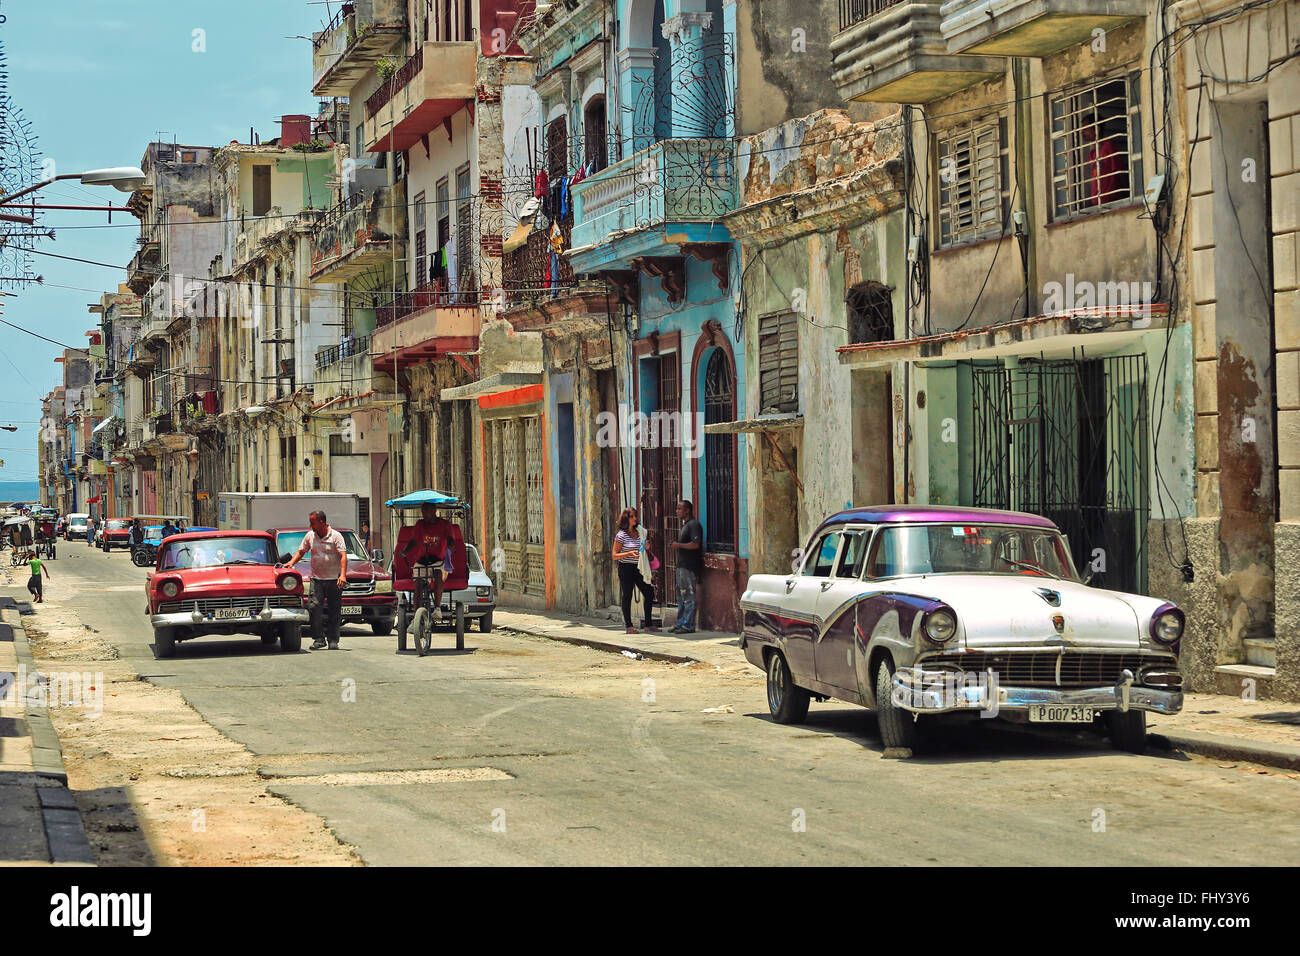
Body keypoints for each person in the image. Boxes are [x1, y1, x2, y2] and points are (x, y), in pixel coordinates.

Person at [284, 510, 348, 650]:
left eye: (312, 522)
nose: (310, 525)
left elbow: (343, 556)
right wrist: (291, 563)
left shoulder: (336, 536)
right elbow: (301, 551)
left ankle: (333, 640)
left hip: (334, 580)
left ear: (322, 522)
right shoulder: (310, 536)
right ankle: (319, 639)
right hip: (317, 579)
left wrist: (342, 575)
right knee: (314, 608)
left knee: (334, 610)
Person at [401, 503, 455, 617]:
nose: (424, 514)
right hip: (421, 560)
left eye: (426, 511)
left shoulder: (445, 524)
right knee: (418, 584)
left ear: (434, 510)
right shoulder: (420, 524)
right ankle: (417, 614)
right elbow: (413, 541)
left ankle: (437, 608)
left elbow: (451, 539)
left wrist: (450, 549)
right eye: (423, 511)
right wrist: (404, 551)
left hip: (438, 560)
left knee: (438, 575)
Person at [612, 506, 657, 635]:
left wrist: (646, 547)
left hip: (639, 567)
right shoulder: (621, 535)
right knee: (627, 595)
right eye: (632, 516)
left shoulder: (639, 532)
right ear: (626, 518)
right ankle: (629, 626)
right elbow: (615, 555)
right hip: (625, 568)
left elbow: (642, 548)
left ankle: (648, 624)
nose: (635, 519)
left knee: (648, 592)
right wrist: (629, 553)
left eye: (635, 516)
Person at [669, 500, 704, 634]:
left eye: (679, 509)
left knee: (689, 596)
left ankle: (688, 625)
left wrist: (679, 545)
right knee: (681, 596)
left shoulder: (694, 525)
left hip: (689, 566)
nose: (677, 511)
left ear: (687, 510)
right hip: (682, 565)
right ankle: (680, 623)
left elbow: (696, 544)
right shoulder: (686, 525)